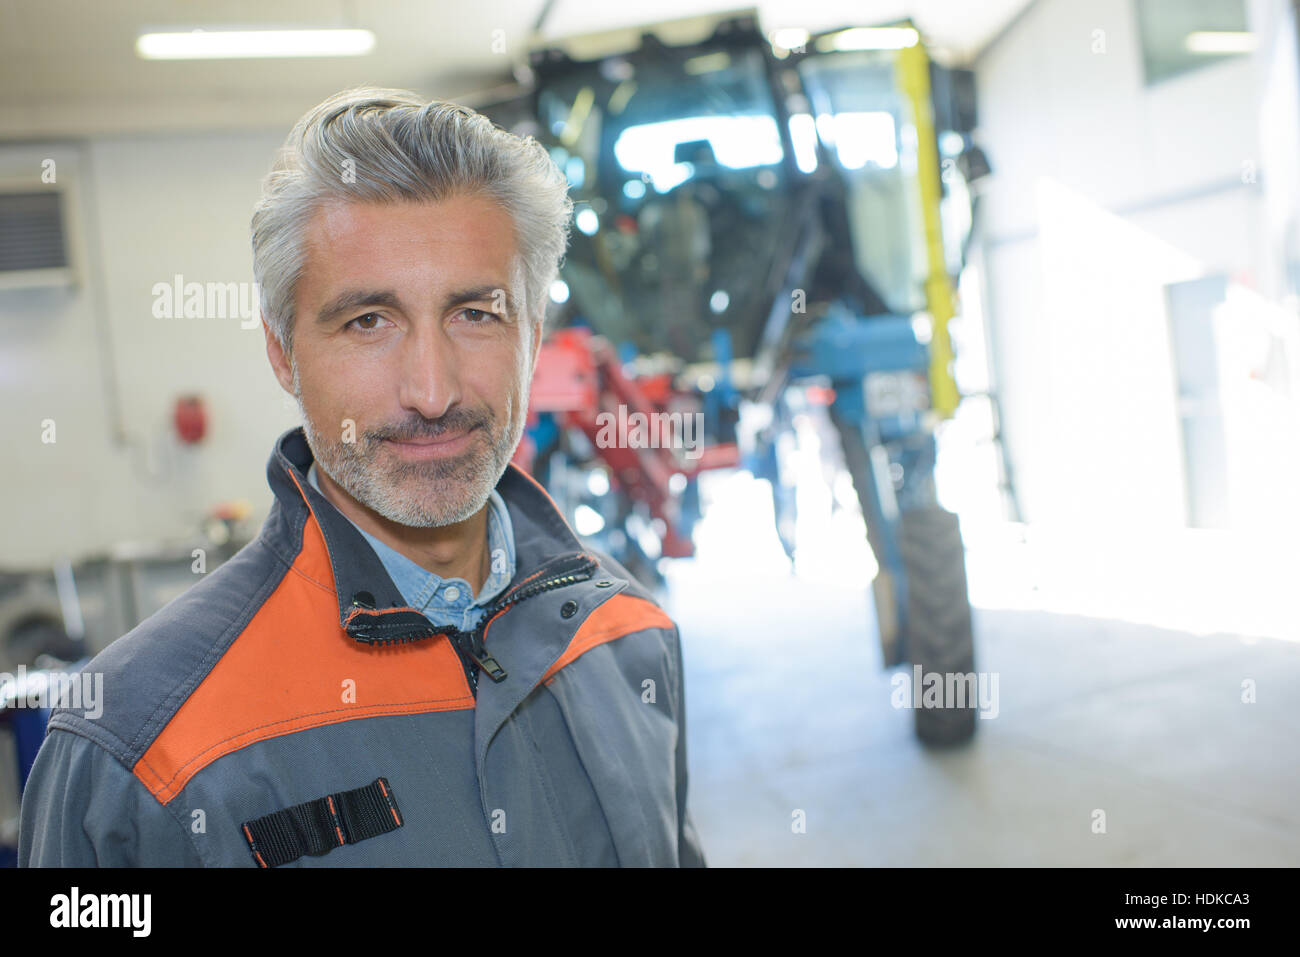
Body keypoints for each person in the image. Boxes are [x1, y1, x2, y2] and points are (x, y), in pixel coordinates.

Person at [18, 88, 706, 867]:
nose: (432, 389)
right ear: (283, 352)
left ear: (533, 336)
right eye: (367, 322)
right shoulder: (137, 753)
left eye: (475, 313)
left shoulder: (630, 636)